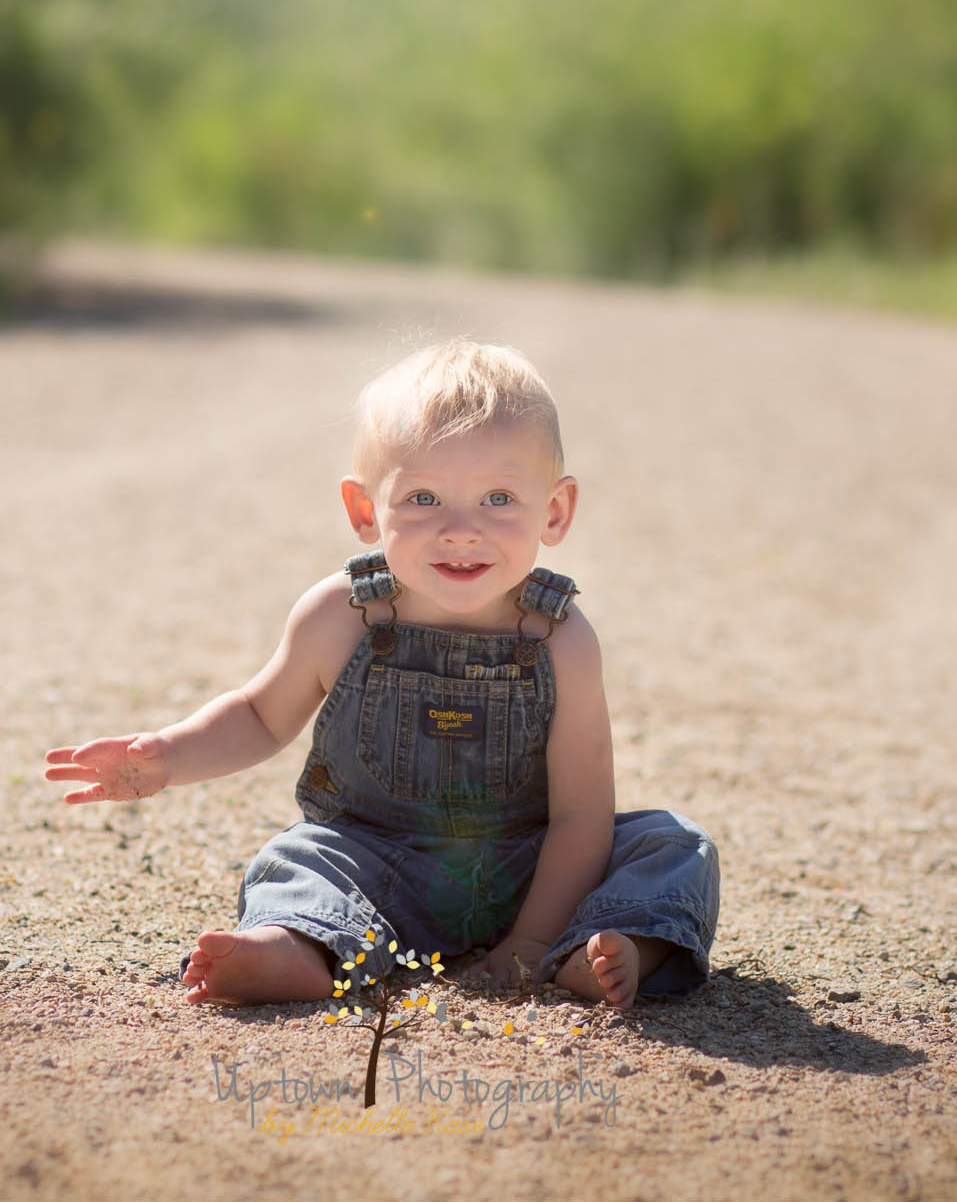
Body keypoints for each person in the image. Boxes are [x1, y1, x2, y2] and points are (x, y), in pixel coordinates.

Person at [45, 340, 720, 1007]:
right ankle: (293, 949)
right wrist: (167, 755)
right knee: (301, 859)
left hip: (530, 865)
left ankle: (600, 948)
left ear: (555, 511)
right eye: (424, 497)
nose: (461, 529)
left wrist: (531, 941)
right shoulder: (341, 613)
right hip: (370, 861)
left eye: (499, 498)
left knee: (673, 844)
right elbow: (257, 715)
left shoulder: (562, 639)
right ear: (366, 510)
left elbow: (579, 815)